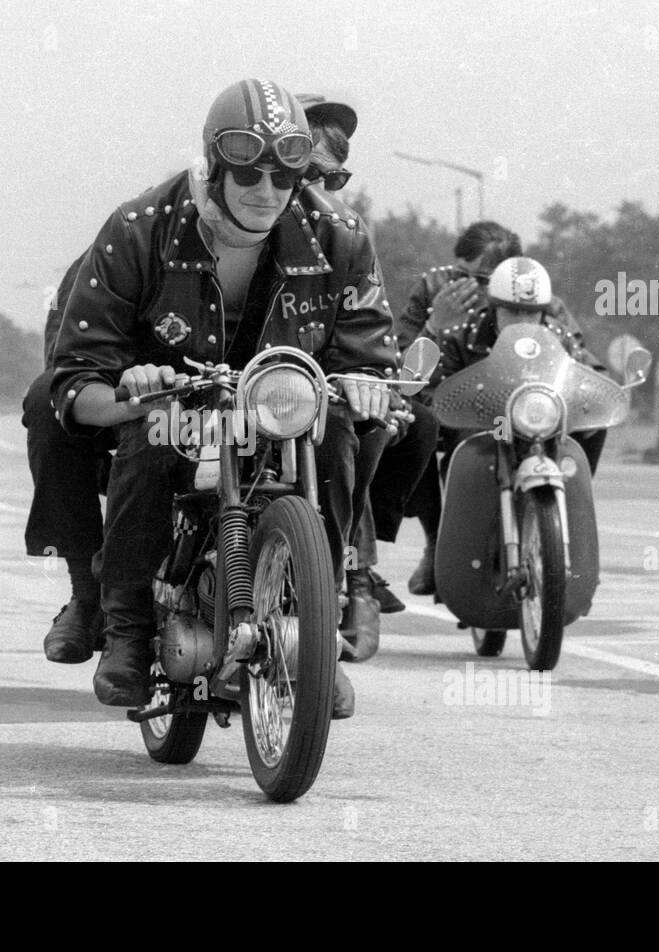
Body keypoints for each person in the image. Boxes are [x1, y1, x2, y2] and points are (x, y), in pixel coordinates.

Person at [49, 79, 397, 718]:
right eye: (251, 175)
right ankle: (124, 627)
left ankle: (323, 615)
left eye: (283, 178)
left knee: (355, 429)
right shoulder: (139, 227)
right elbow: (77, 370)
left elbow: (368, 348)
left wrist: (368, 380)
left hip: (281, 399)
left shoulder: (341, 234)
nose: (268, 193)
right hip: (176, 399)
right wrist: (129, 387)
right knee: (153, 433)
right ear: (216, 165)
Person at [368, 222, 523, 600]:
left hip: (516, 401)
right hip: (445, 397)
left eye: (483, 279)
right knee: (416, 420)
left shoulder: (527, 291)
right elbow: (399, 369)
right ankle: (436, 539)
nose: (467, 287)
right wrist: (435, 326)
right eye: (461, 274)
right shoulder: (432, 288)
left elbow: (568, 346)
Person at [424, 255, 609, 472]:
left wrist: (591, 397)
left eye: (531, 313)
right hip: (484, 428)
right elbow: (431, 393)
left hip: (543, 426)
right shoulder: (459, 337)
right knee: (458, 434)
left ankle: (574, 488)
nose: (523, 321)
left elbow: (592, 374)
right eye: (512, 311)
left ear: (542, 314)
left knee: (595, 427)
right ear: (494, 310)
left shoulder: (559, 336)